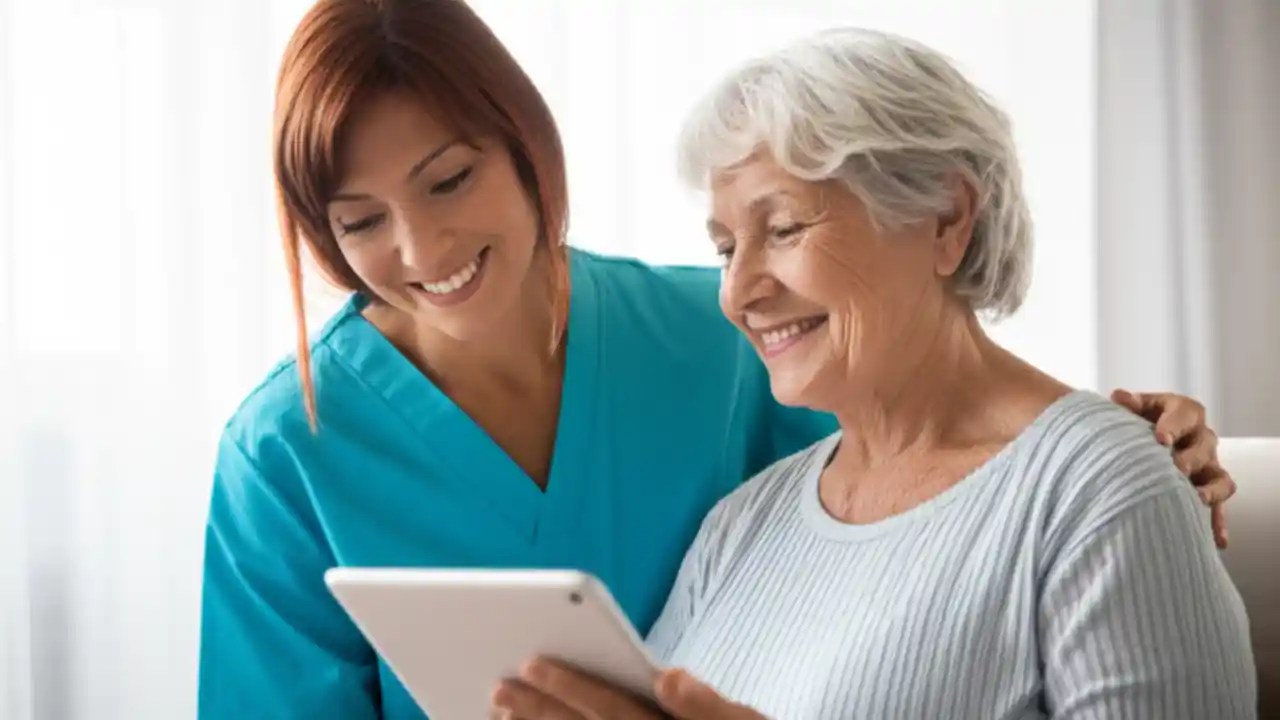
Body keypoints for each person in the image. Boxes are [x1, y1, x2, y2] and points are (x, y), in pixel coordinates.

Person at [197, 2, 1238, 718]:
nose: (420, 252)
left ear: (522, 144)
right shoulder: (286, 450)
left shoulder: (721, 347)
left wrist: (1124, 442)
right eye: (360, 220)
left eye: (449, 179)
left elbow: (944, 435)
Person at [490, 27, 1257, 720]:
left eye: (784, 228)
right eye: (727, 248)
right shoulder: (744, 524)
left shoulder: (1096, 492)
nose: (738, 291)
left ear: (947, 219)